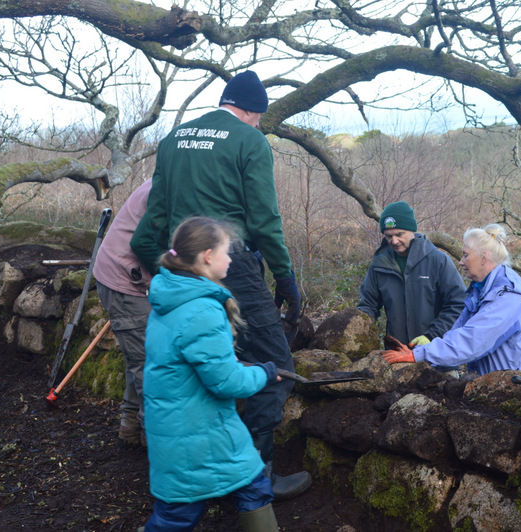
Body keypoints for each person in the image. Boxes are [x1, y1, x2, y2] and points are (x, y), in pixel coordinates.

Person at [130, 70, 310, 499]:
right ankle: (255, 478)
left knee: (207, 369)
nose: (259, 124)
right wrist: (285, 277)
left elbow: (149, 230)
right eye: (259, 117)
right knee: (274, 366)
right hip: (232, 268)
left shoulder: (174, 139)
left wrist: (165, 270)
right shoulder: (250, 141)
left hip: (182, 268)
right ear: (251, 111)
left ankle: (212, 471)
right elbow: (264, 220)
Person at [141, 217, 280, 532]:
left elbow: (190, 363)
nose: (230, 259)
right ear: (207, 256)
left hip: (179, 428)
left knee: (183, 509)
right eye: (225, 252)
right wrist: (265, 374)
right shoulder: (202, 309)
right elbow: (227, 382)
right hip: (198, 433)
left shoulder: (170, 298)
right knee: (247, 489)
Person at [382, 223, 521, 378]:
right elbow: (456, 336)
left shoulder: (508, 299)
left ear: (484, 257)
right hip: (497, 384)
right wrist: (420, 352)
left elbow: (471, 342)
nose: (461, 262)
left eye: (465, 255)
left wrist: (418, 355)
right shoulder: (481, 292)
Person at [93, 179, 153, 446]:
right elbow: (146, 243)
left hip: (125, 276)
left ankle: (130, 427)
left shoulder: (173, 176)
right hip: (126, 279)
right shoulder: (172, 186)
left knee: (141, 357)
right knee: (150, 363)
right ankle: (155, 441)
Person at [357, 200, 466, 347]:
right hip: (397, 351)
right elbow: (368, 305)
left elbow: (458, 303)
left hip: (436, 349)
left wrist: (432, 335)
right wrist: (359, 329)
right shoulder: (379, 265)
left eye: (399, 234)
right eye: (388, 236)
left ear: (412, 230)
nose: (394, 241)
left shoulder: (438, 260)